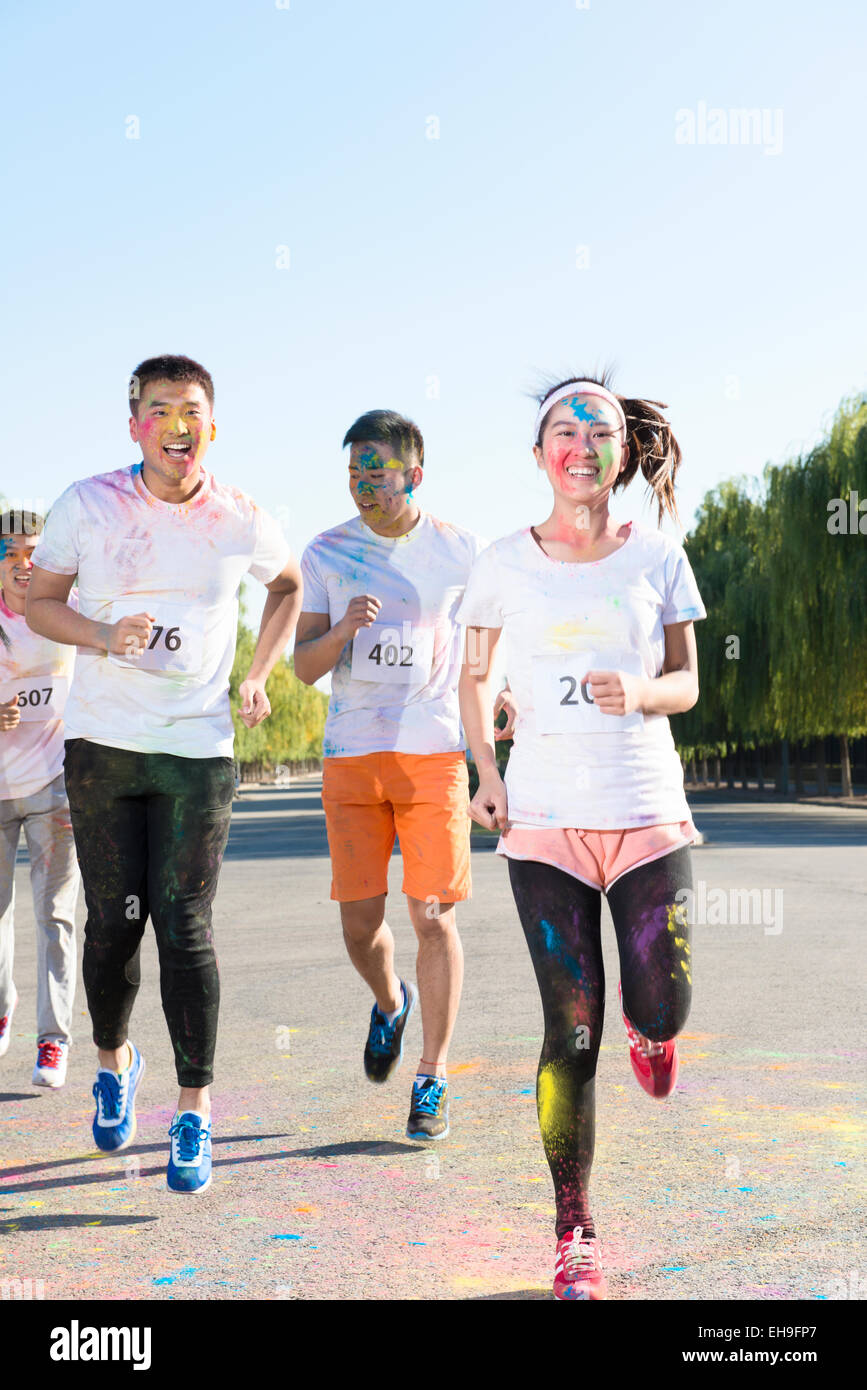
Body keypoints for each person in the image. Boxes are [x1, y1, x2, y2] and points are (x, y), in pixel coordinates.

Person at [26, 355, 303, 1194]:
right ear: (135, 424)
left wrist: (258, 673)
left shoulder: (241, 517)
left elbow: (287, 587)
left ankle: (194, 1112)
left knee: (183, 926)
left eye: (191, 410)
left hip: (198, 750)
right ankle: (113, 1063)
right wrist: (105, 637)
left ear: (210, 426)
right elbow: (40, 603)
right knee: (112, 922)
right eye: (158, 409)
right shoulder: (87, 504)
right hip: (103, 745)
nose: (176, 423)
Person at [457, 375, 705, 1298]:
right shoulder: (499, 564)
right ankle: (574, 1231)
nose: (579, 443)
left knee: (661, 1006)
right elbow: (474, 681)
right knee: (569, 1032)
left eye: (598, 429)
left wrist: (640, 693)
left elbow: (684, 681)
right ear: (538, 455)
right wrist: (483, 769)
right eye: (562, 428)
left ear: (623, 453)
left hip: (643, 811)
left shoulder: (659, 558)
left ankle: (655, 1033)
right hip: (545, 825)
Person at [294, 410, 514, 1142]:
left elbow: (486, 647)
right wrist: (341, 630)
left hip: (432, 753)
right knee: (360, 926)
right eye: (353, 472)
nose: (363, 485)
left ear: (414, 475)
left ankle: (432, 1075)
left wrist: (501, 692)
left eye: (376, 473)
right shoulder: (326, 552)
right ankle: (390, 1002)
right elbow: (303, 666)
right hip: (352, 755)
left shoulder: (461, 552)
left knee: (431, 913)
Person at [0, 511, 79, 1088]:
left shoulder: (67, 610)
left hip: (56, 788)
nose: (24, 564)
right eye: (11, 552)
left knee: (55, 916)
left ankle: (52, 1042)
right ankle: (3, 1006)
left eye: (34, 552)